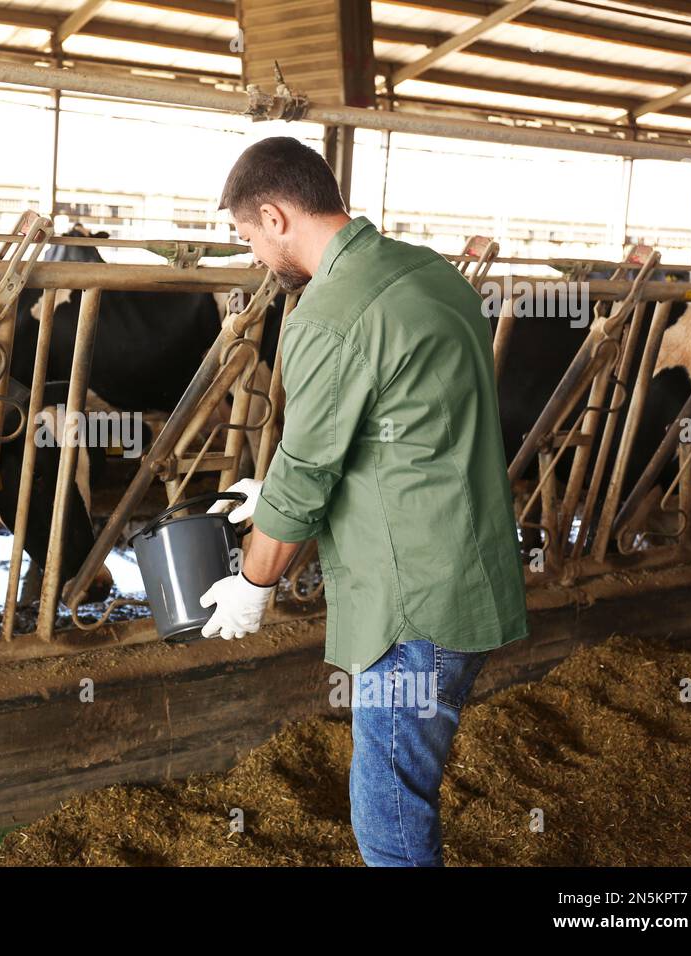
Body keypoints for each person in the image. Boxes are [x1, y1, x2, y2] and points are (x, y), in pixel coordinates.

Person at [199, 136, 529, 866]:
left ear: (276, 216)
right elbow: (410, 424)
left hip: (413, 604)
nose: (253, 254)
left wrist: (255, 584)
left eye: (247, 235)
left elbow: (309, 471)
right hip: (471, 579)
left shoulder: (327, 313)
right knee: (402, 785)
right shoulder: (429, 272)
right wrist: (280, 485)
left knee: (388, 810)